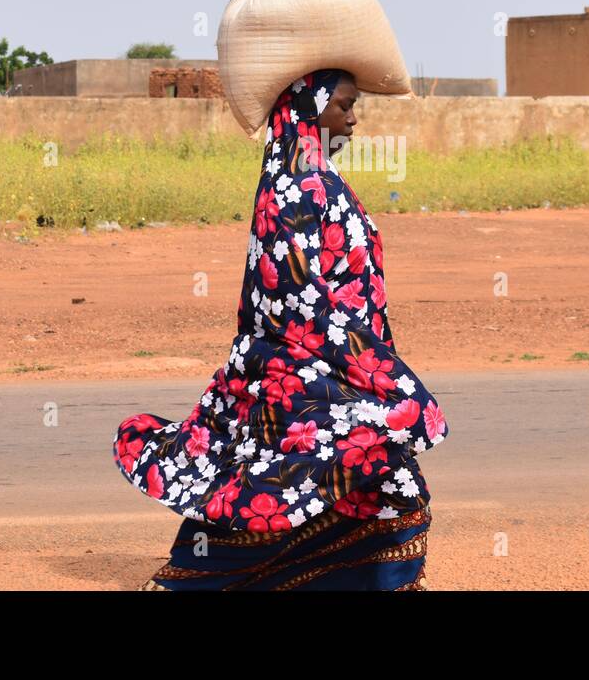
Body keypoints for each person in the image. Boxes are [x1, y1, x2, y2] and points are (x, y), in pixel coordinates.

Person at [113, 67, 449, 590]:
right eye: (344, 104)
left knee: (367, 484)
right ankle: (188, 582)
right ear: (308, 109)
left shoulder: (316, 178)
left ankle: (370, 579)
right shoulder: (291, 186)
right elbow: (293, 293)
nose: (354, 118)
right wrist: (373, 367)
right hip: (305, 371)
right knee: (291, 487)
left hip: (333, 361)